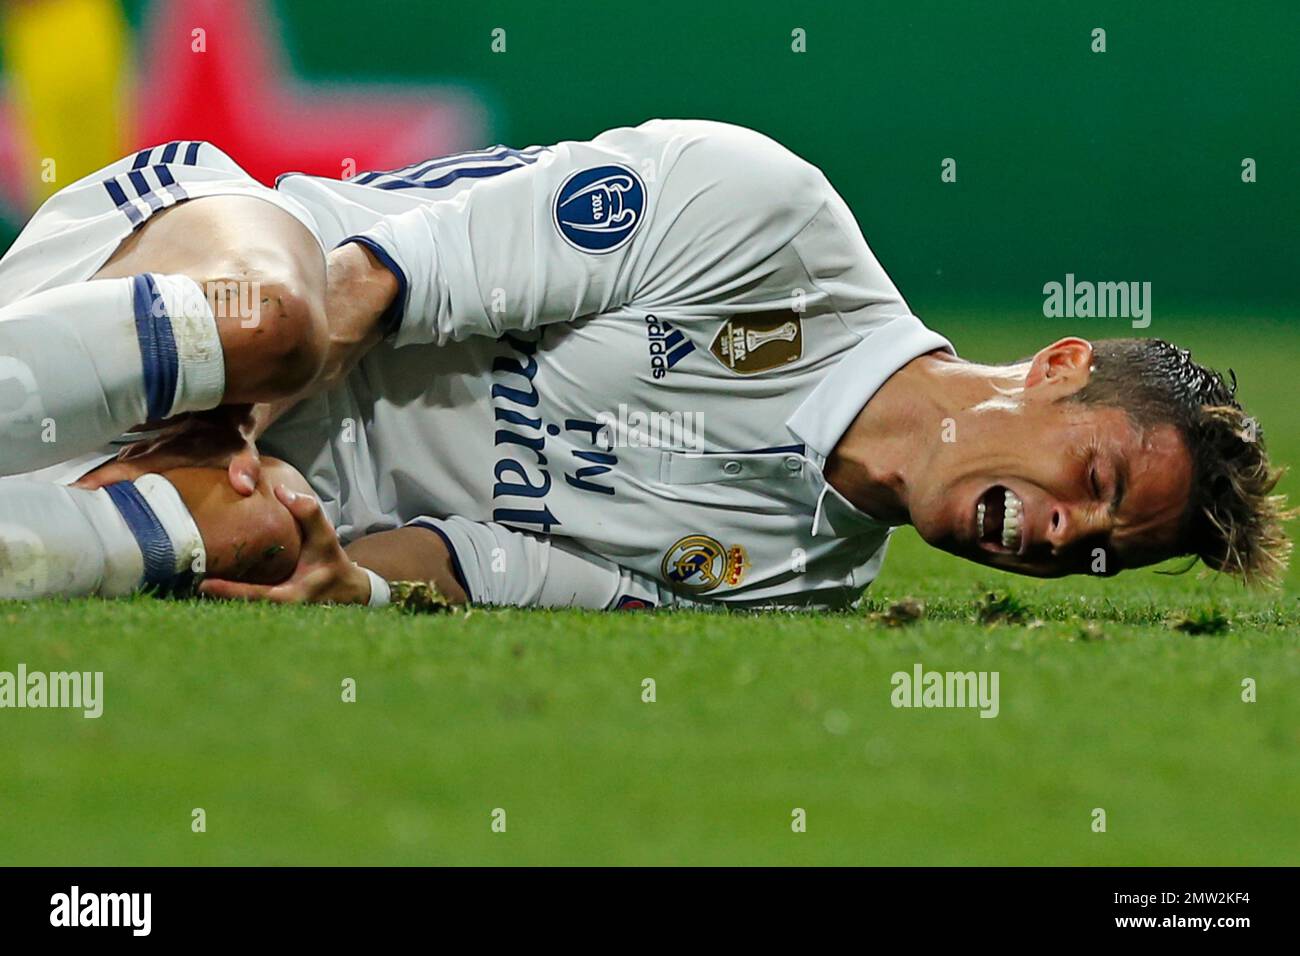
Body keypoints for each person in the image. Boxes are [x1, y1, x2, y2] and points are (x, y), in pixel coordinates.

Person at [0, 122, 1289, 607]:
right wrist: (229, 424)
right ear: (1057, 366)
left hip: (244, 467)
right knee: (271, 322)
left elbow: (473, 568)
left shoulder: (796, 588)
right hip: (205, 263)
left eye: (1101, 550)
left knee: (266, 541)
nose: (1067, 534)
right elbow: (366, 286)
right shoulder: (770, 223)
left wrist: (345, 584)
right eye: (1099, 481)